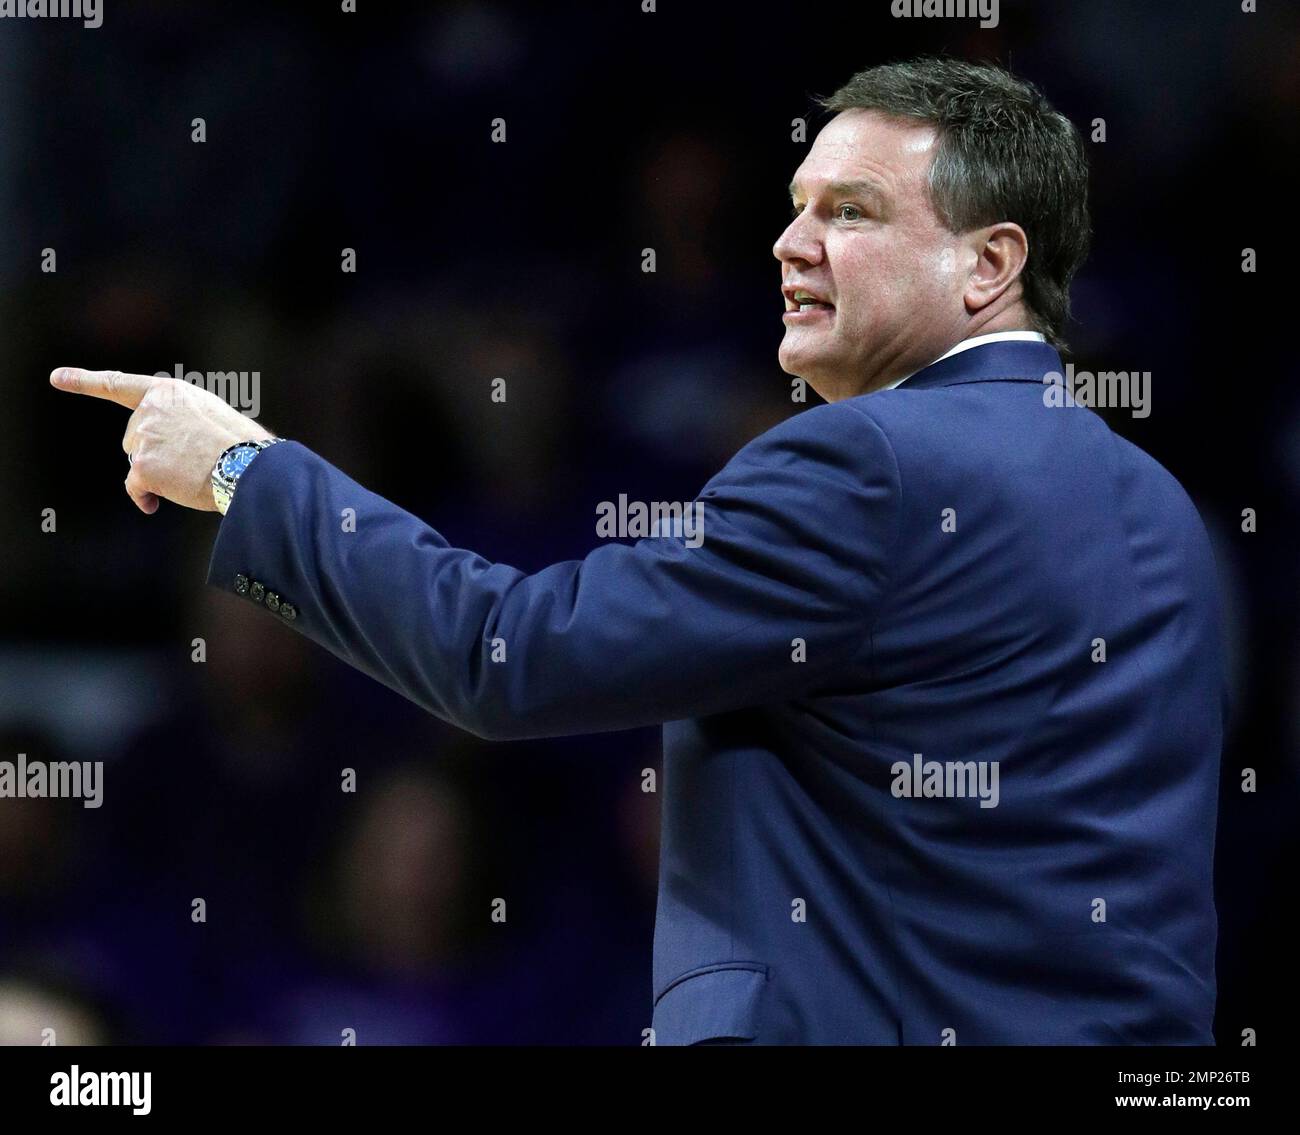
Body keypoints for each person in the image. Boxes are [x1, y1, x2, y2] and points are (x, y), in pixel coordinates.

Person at [50, 56, 1224, 1045]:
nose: (786, 243)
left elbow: (509, 656)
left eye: (849, 213)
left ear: (988, 263)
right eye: (795, 204)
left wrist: (245, 473)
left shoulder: (865, 462)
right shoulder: (1166, 513)